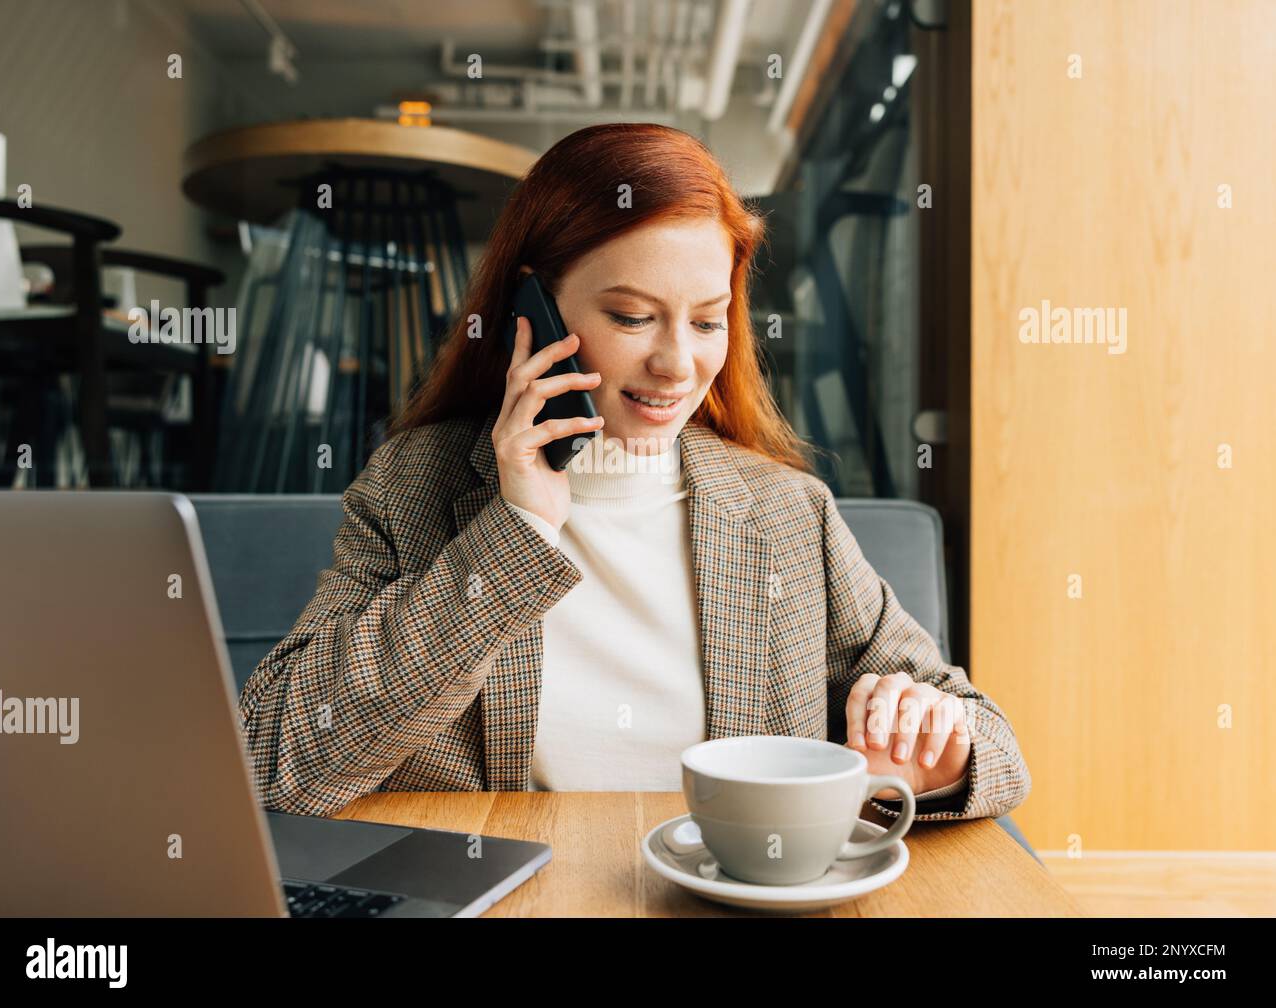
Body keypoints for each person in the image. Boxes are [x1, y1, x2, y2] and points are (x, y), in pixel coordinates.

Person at [238, 123, 1030, 825]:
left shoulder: (788, 513)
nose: (677, 364)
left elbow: (993, 745)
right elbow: (279, 761)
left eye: (707, 320)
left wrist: (933, 753)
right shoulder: (416, 485)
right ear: (533, 307)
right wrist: (517, 531)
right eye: (631, 316)